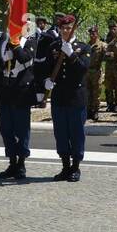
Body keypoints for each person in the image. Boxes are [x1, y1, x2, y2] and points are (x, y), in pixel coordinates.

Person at [47, 14, 92, 179]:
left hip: (76, 97)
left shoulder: (84, 47)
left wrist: (71, 54)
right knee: (61, 133)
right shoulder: (54, 46)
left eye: (68, 28)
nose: (65, 31)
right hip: (59, 96)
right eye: (63, 28)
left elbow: (83, 69)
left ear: (74, 28)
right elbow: (47, 67)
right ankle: (65, 166)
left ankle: (75, 167)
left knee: (76, 133)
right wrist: (46, 80)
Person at [0, 28, 36, 180]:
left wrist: (15, 47)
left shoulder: (29, 42)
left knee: (21, 130)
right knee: (6, 129)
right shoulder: (2, 42)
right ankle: (12, 161)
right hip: (5, 91)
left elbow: (24, 58)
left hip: (21, 91)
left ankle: (21, 162)